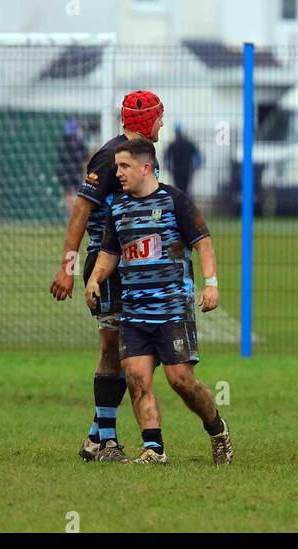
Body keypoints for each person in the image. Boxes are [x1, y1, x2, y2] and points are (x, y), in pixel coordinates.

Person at [85, 139, 232, 465]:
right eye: (117, 167)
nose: (118, 173)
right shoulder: (119, 208)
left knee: (181, 381)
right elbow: (110, 252)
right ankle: (154, 449)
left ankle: (217, 428)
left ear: (146, 167)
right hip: (134, 311)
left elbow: (203, 243)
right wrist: (95, 279)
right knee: (137, 379)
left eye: (124, 166)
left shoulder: (174, 200)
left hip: (172, 309)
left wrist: (211, 284)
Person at [49, 90, 166, 463]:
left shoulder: (144, 155)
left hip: (136, 267)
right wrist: (67, 269)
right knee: (113, 349)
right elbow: (80, 212)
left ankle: (96, 436)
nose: (163, 123)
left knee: (138, 349)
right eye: (160, 117)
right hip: (107, 264)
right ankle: (107, 442)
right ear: (148, 121)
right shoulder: (110, 155)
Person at [164, 122, 202, 198]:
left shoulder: (174, 145)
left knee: (180, 189)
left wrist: (196, 165)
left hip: (181, 170)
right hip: (183, 170)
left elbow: (197, 155)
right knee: (183, 189)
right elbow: (166, 156)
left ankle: (182, 204)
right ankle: (184, 204)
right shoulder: (185, 144)